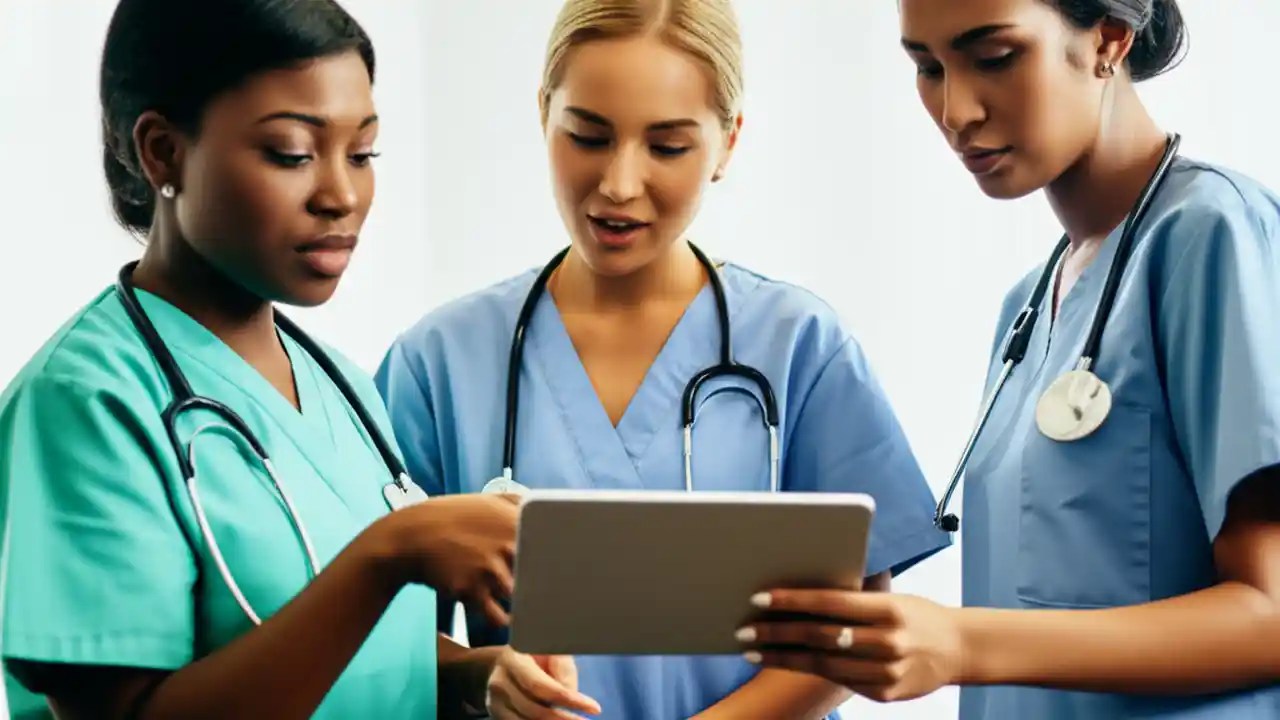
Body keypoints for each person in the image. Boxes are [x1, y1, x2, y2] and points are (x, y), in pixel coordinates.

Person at [373, 1, 952, 718]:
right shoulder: (439, 363)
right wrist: (483, 674)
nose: (619, 183)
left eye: (668, 147)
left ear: (728, 143)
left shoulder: (799, 345)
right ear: (542, 114)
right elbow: (383, 629)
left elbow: (854, 628)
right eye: (587, 136)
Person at [736, 0, 1280, 718]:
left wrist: (962, 645)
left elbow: (1272, 612)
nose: (956, 110)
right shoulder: (1027, 308)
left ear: (1109, 40)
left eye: (993, 58)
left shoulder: (1214, 236)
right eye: (928, 68)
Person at [0, 1, 524, 718]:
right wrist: (389, 554)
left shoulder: (341, 384)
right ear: (162, 152)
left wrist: (479, 676)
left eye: (363, 153)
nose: (341, 195)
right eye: (291, 153)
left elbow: (364, 651)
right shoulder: (86, 403)